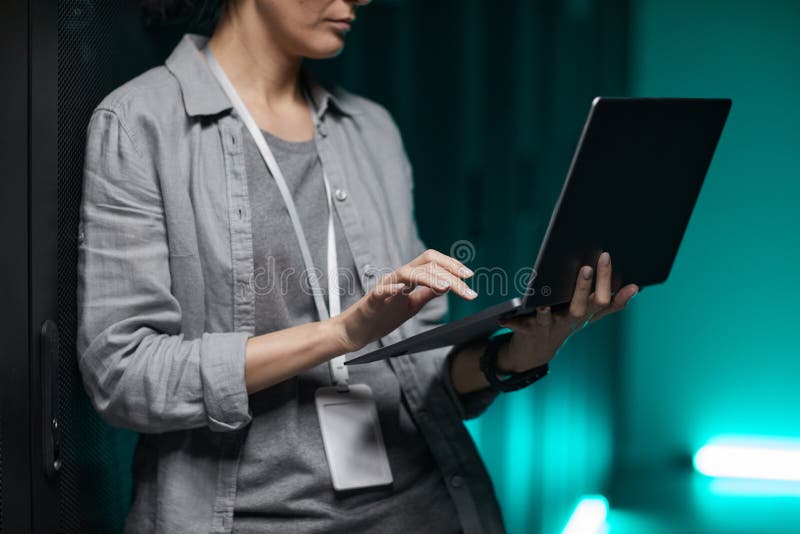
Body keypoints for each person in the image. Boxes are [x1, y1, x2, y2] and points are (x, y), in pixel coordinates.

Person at [76, 0, 639, 532]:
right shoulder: (140, 123)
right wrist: (341, 334)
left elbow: (422, 365)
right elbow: (123, 374)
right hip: (252, 517)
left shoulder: (371, 131)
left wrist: (520, 353)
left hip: (430, 506)